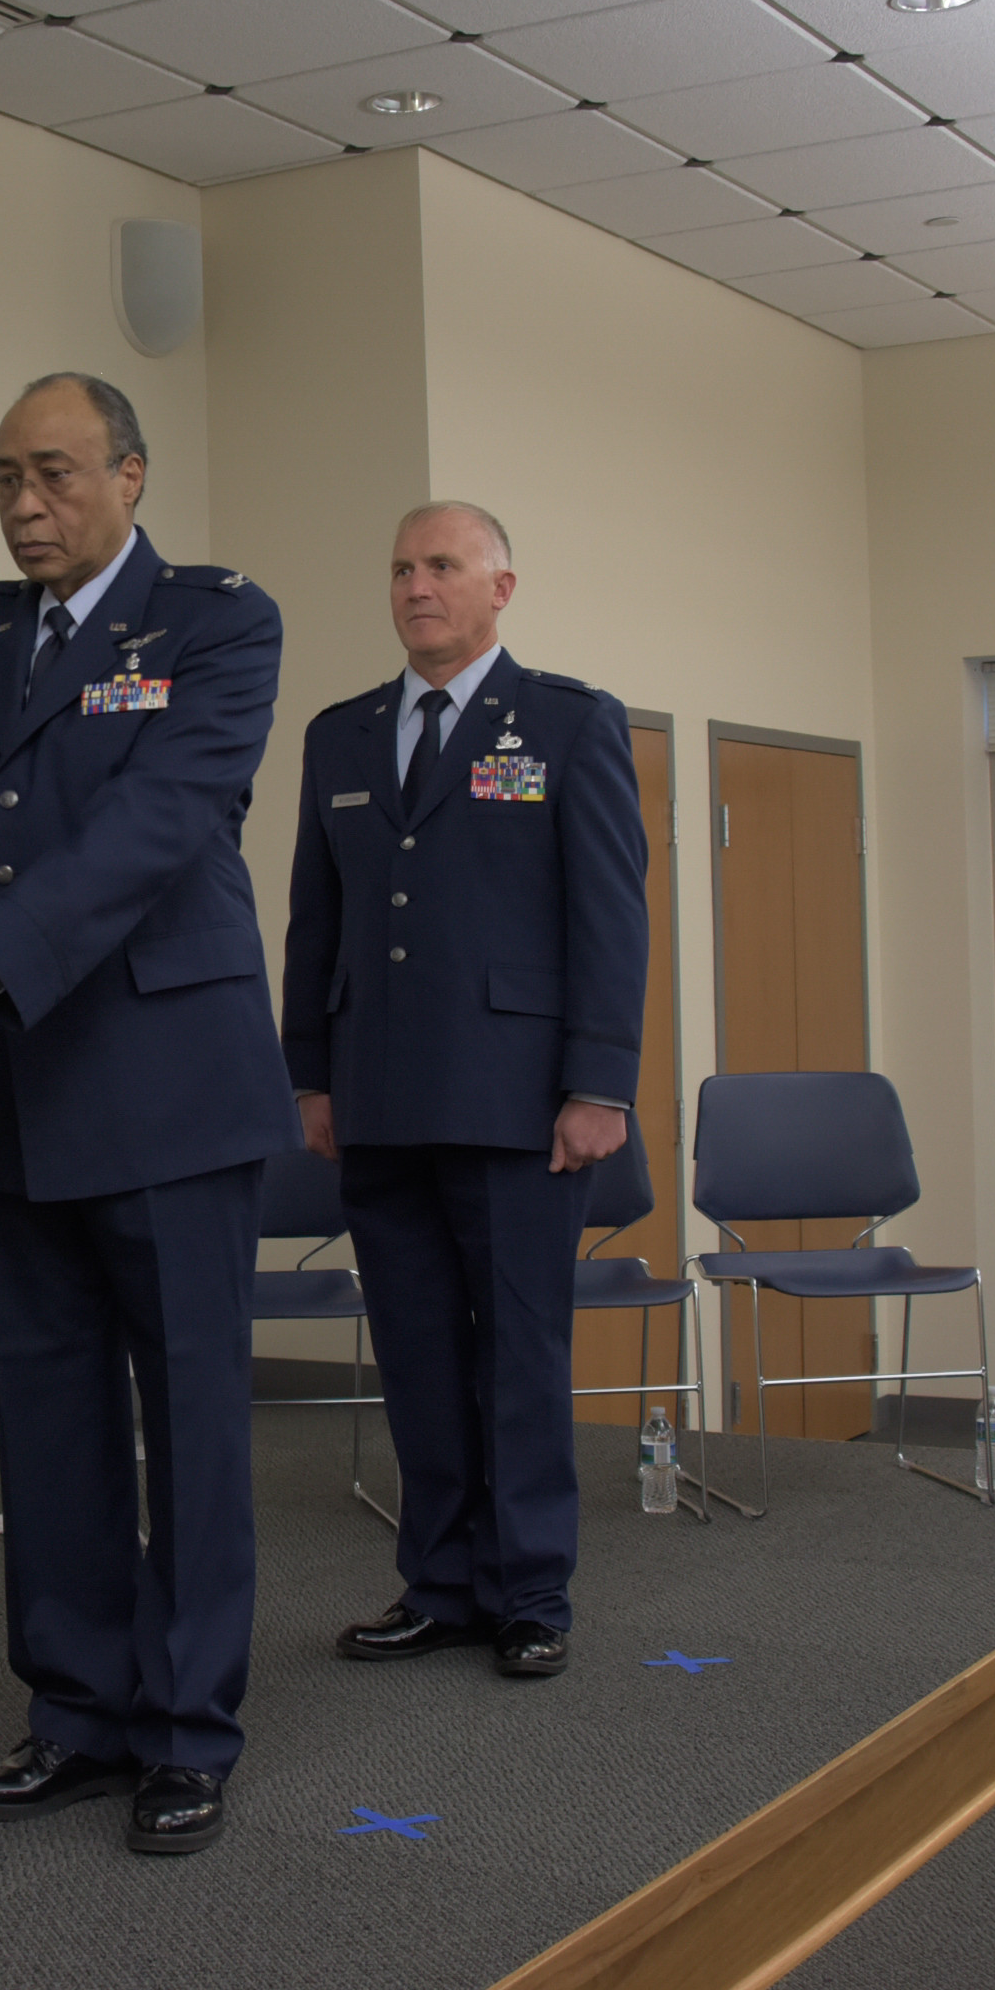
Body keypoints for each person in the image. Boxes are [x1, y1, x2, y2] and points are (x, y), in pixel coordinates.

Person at [0, 371, 293, 1857]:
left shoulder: (218, 622)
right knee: (53, 1418)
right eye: (7, 480)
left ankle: (187, 1728)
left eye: (58, 475)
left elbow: (160, 828)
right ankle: (78, 1713)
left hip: (165, 1084)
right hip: (14, 1097)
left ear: (132, 476)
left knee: (193, 1423)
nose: (27, 506)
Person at [282, 501, 646, 1679]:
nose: (415, 586)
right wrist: (310, 1076)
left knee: (519, 1354)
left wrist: (599, 1082)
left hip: (516, 1103)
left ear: (500, 587)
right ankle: (438, 1581)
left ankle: (530, 1587)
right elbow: (314, 922)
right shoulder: (340, 736)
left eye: (441, 565)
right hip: (379, 1099)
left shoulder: (564, 722)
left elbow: (607, 915)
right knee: (419, 1354)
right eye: (399, 567)